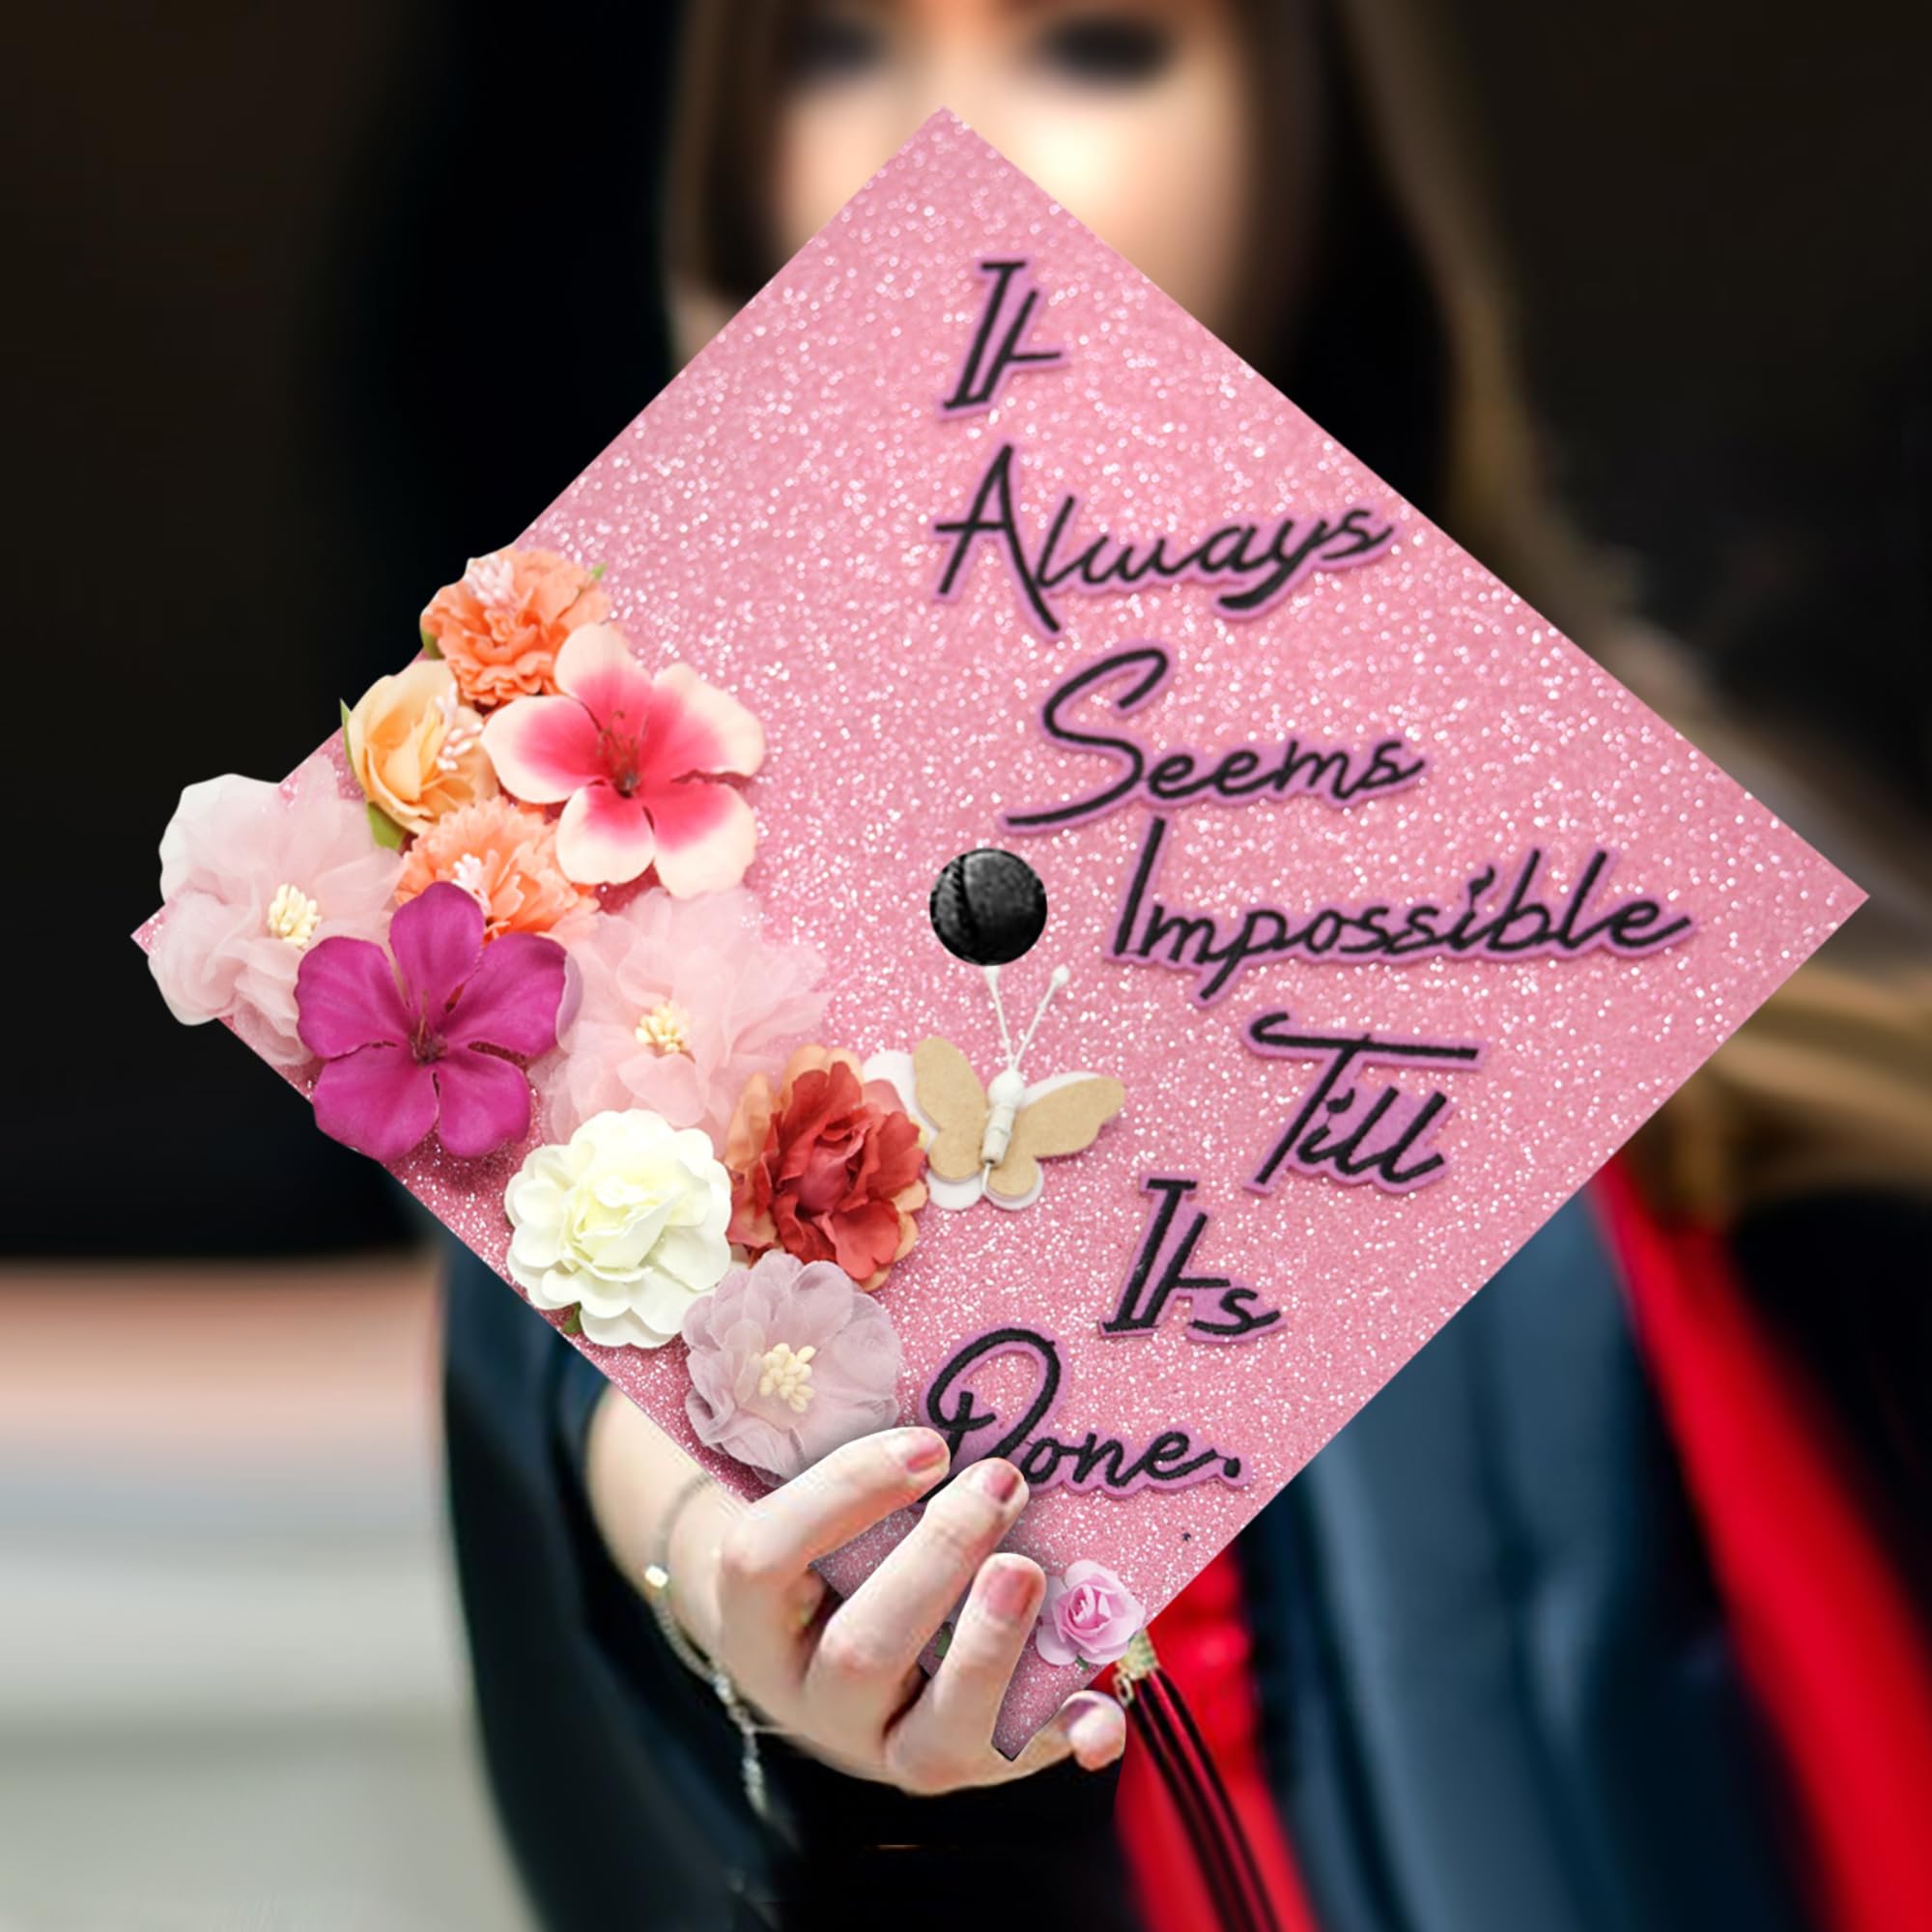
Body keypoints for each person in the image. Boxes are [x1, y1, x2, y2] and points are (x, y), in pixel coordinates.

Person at [440, 4, 1932, 1929]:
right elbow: (606, 1412)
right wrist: (744, 1606)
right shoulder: (601, 925)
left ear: (1305, 133)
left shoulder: (1676, 873)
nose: (943, 136)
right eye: (828, 49)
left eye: (1099, 45)